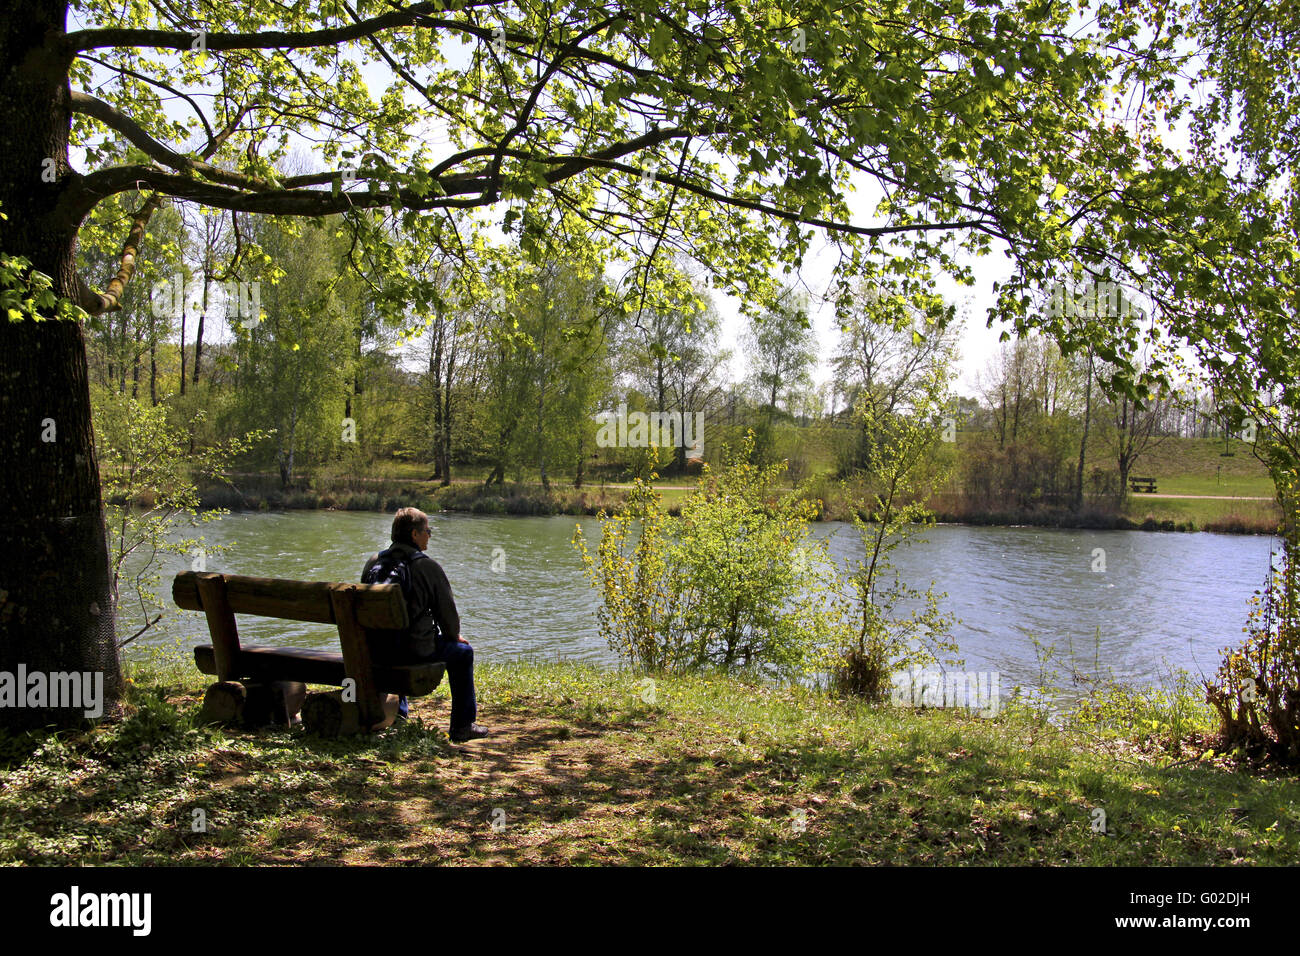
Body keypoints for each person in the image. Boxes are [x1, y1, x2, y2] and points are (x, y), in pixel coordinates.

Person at [361, 507, 489, 742]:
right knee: (462, 652)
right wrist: (453, 636)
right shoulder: (427, 567)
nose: (429, 535)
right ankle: (463, 725)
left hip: (375, 651)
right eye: (427, 530)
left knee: (395, 638)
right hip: (414, 652)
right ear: (414, 535)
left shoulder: (373, 563)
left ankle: (400, 717)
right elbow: (449, 620)